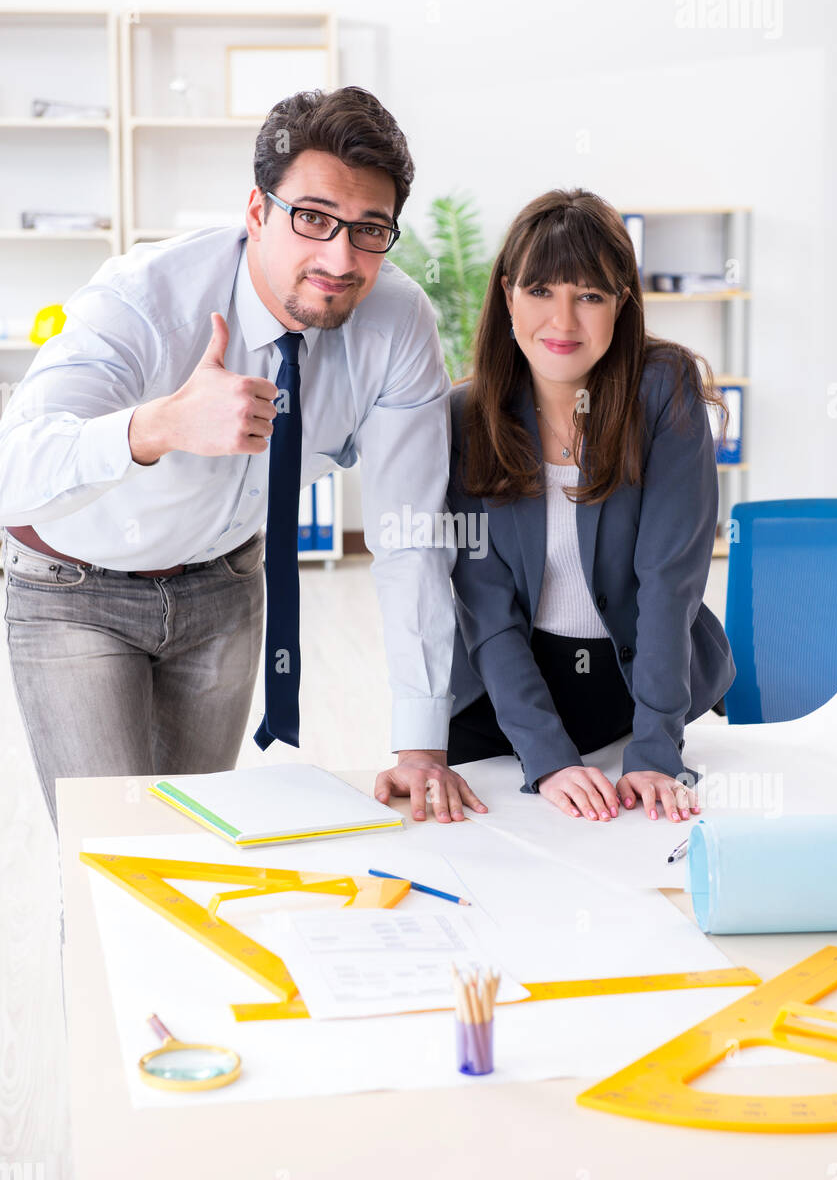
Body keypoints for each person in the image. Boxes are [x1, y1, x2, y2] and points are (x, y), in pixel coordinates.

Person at [0, 86, 485, 830]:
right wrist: (156, 427)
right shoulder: (145, 300)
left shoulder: (395, 322)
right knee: (110, 859)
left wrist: (421, 743)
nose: (340, 257)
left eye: (368, 230)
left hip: (222, 587)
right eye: (313, 218)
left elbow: (408, 532)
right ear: (257, 212)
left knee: (194, 844)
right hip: (74, 590)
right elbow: (13, 474)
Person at [446, 188, 735, 824]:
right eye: (542, 291)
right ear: (507, 295)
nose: (564, 321)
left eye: (591, 296)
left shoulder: (666, 391)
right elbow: (485, 606)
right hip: (504, 703)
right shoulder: (468, 416)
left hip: (640, 692)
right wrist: (547, 757)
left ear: (622, 305)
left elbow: (669, 585)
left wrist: (657, 748)